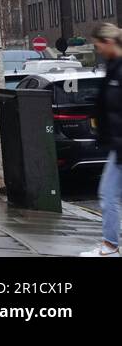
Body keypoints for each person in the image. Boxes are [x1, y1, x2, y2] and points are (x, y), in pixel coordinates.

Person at [82, 22, 122, 257]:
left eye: (98, 45)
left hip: (120, 145)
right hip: (117, 146)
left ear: (108, 42)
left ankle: (110, 246)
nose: (97, 50)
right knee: (109, 194)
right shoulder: (113, 67)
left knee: (108, 194)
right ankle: (110, 244)